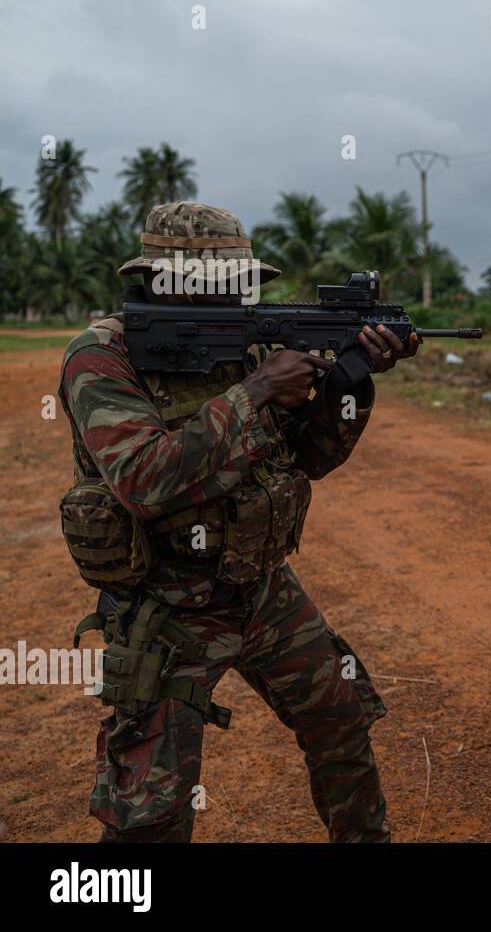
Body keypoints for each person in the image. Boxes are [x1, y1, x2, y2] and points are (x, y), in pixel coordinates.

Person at [58, 202, 416, 842]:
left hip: (260, 588)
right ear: (164, 283)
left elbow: (310, 458)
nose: (238, 298)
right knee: (151, 810)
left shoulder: (248, 346)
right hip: (166, 605)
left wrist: (353, 381)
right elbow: (143, 480)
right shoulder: (103, 357)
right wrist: (255, 391)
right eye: (222, 285)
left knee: (342, 724)